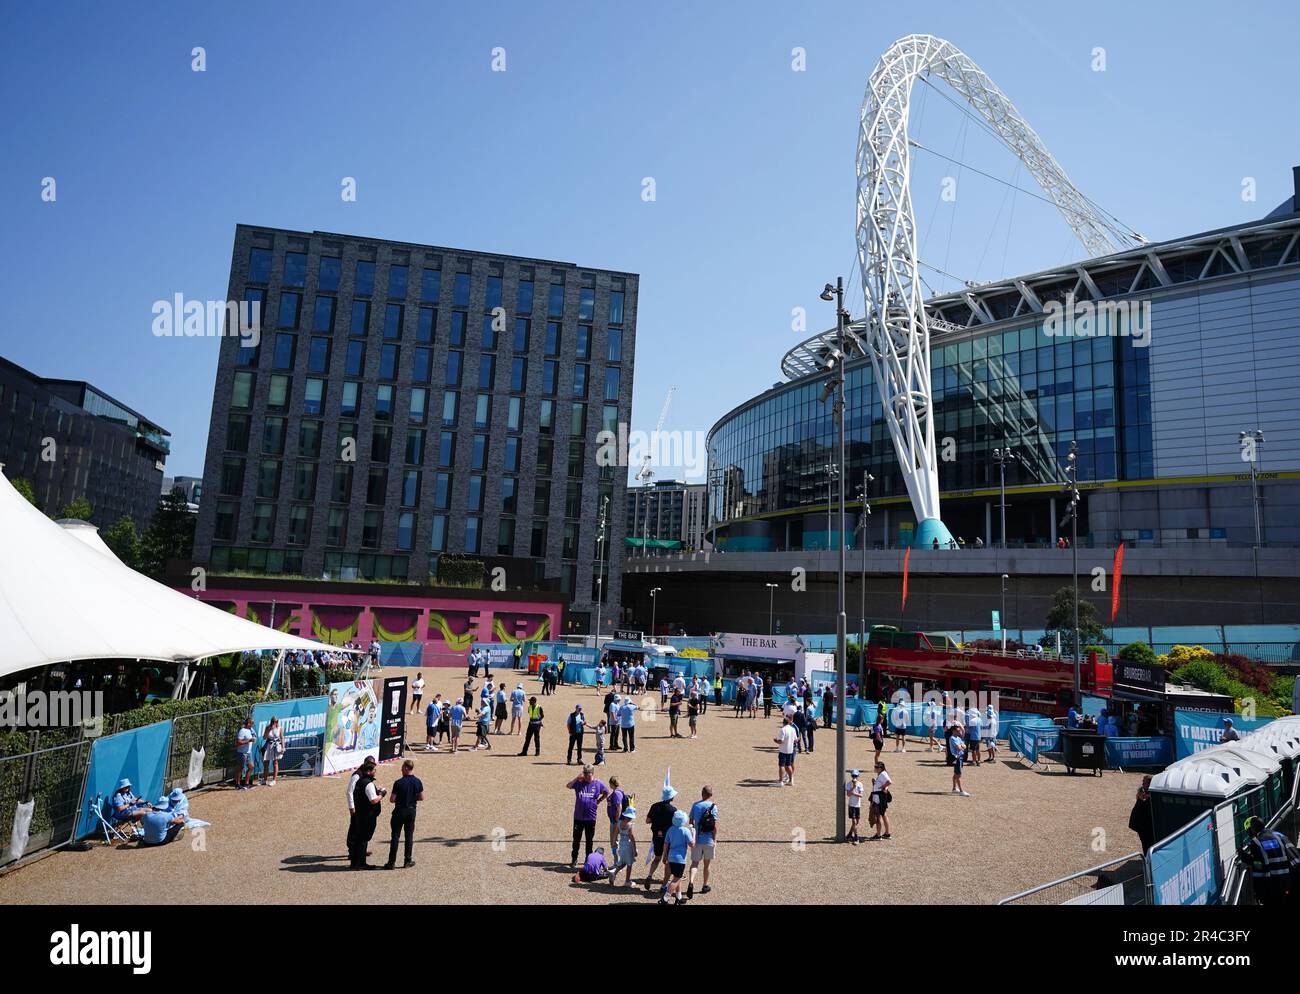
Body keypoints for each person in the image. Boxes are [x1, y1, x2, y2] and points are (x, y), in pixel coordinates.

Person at [1237, 815, 1298, 905]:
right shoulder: (1279, 835)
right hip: (1289, 883)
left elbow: (1259, 865)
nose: (1249, 834)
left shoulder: (1256, 842)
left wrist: (1245, 857)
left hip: (1271, 887)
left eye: (1248, 831)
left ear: (1252, 829)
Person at [566, 764, 609, 867]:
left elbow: (606, 792)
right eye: (584, 773)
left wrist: (599, 801)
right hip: (578, 817)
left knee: (589, 841)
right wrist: (577, 777)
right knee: (576, 839)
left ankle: (588, 860)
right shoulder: (579, 783)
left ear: (592, 773)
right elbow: (568, 785)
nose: (585, 776)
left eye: (587, 774)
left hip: (590, 817)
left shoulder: (598, 783)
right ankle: (574, 859)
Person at [347, 757, 387, 870]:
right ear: (369, 771)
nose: (375, 772)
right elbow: (373, 800)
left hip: (361, 813)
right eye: (374, 770)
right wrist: (382, 794)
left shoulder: (360, 780)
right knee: (363, 839)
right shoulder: (367, 783)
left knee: (360, 838)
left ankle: (355, 862)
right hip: (367, 815)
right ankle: (360, 863)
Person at [384, 759, 424, 869]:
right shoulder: (417, 781)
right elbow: (421, 797)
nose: (401, 769)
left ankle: (391, 862)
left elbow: (392, 799)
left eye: (402, 767)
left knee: (395, 836)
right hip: (411, 811)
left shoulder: (398, 783)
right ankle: (407, 860)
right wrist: (411, 797)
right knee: (409, 836)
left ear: (406, 768)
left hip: (399, 811)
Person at [645, 782, 679, 891]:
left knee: (657, 858)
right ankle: (664, 884)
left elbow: (647, 820)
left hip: (656, 837)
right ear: (671, 797)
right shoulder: (673, 810)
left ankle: (650, 875)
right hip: (668, 839)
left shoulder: (654, 806)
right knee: (667, 861)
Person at [687, 785, 717, 899]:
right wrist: (714, 839)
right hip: (708, 839)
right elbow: (714, 826)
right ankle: (705, 885)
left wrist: (692, 834)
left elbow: (690, 822)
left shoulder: (695, 805)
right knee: (707, 864)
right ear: (711, 795)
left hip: (697, 839)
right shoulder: (714, 806)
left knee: (695, 863)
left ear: (702, 793)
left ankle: (691, 881)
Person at [661, 810, 695, 905]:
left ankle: (678, 897)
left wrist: (665, 856)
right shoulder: (685, 831)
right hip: (680, 859)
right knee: (676, 879)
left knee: (677, 877)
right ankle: (665, 898)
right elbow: (692, 844)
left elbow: (666, 843)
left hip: (671, 857)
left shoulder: (670, 829)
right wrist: (694, 834)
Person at [609, 805, 638, 887]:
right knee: (629, 864)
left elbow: (615, 834)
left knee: (622, 862)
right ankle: (627, 881)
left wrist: (614, 842)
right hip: (628, 846)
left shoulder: (619, 823)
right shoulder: (630, 825)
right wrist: (635, 850)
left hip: (621, 844)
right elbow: (632, 839)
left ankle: (614, 872)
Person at [1128, 775, 1155, 854]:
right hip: (1141, 825)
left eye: (1145, 783)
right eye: (1143, 783)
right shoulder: (1142, 794)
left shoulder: (1152, 795)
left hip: (1147, 825)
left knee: (1148, 844)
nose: (1143, 785)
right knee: (1145, 843)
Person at [868, 761, 893, 840]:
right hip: (880, 797)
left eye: (876, 767)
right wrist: (875, 783)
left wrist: (883, 787)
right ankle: (887, 833)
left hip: (879, 798)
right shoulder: (882, 774)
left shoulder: (883, 774)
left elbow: (889, 782)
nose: (875, 768)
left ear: (881, 768)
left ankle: (878, 835)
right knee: (884, 815)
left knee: (878, 816)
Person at [775, 716, 798, 786]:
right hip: (790, 750)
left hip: (783, 750)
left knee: (781, 766)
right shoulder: (793, 729)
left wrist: (775, 740)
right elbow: (795, 740)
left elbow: (780, 741)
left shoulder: (783, 729)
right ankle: (791, 780)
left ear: (783, 722)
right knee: (788, 765)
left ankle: (781, 781)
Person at [260, 716, 284, 786]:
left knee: (275, 763)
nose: (274, 723)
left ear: (277, 722)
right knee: (266, 763)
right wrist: (268, 730)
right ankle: (264, 780)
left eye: (275, 722)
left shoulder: (280, 728)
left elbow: (282, 738)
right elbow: (264, 737)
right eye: (273, 722)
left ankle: (274, 780)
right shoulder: (268, 728)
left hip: (276, 746)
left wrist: (283, 747)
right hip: (268, 746)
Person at [605, 776, 626, 852]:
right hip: (614, 820)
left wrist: (617, 819)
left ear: (611, 783)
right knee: (614, 840)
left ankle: (617, 861)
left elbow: (618, 806)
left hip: (616, 821)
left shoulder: (617, 793)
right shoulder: (616, 792)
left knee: (614, 841)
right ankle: (617, 860)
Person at [235, 718, 256, 790]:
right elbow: (238, 742)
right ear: (248, 723)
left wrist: (253, 739)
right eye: (252, 723)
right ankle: (237, 784)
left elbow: (253, 737)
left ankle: (246, 784)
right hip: (242, 753)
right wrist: (249, 740)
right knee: (240, 768)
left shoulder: (251, 730)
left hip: (248, 752)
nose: (253, 725)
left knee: (251, 766)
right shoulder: (242, 731)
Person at [844, 769, 864, 844]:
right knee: (854, 821)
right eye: (853, 776)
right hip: (851, 805)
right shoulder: (849, 784)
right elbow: (848, 794)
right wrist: (853, 787)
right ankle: (856, 837)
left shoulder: (860, 784)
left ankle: (849, 834)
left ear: (858, 776)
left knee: (856, 822)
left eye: (855, 776)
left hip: (857, 805)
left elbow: (861, 795)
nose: (854, 777)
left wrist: (854, 793)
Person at [949, 724, 970, 797]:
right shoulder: (952, 738)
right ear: (953, 731)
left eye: (960, 730)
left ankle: (954, 788)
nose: (959, 732)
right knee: (958, 775)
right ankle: (961, 791)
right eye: (958, 731)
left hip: (960, 757)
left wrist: (962, 746)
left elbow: (964, 746)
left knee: (956, 773)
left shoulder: (958, 738)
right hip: (957, 757)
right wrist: (961, 746)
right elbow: (959, 748)